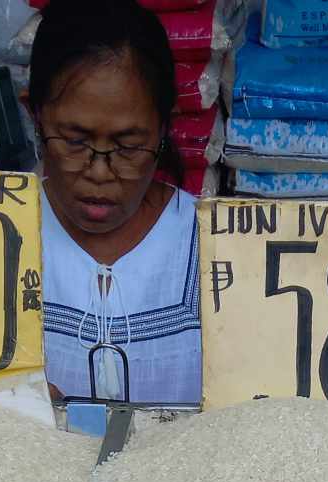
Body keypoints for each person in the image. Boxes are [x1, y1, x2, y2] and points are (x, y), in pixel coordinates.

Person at [31, 0, 201, 405]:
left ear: (164, 128)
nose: (100, 172)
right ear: (35, 116)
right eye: (74, 141)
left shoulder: (210, 243)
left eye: (128, 146)